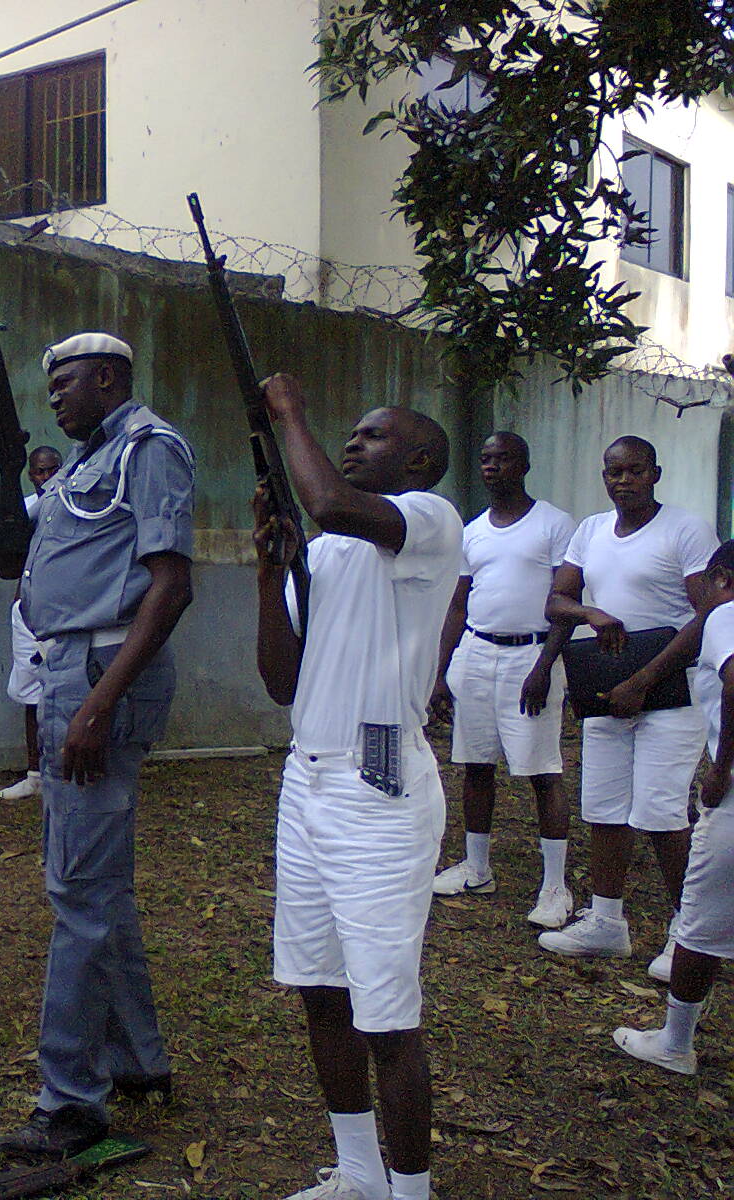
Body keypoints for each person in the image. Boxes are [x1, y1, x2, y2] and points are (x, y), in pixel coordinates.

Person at [253, 376, 459, 1200]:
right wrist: (273, 572)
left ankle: (412, 1193)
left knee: (387, 1015)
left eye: (375, 436)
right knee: (319, 990)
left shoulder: (431, 522)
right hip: (307, 779)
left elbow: (332, 503)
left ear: (418, 459)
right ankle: (360, 1173)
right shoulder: (332, 546)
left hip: (379, 788)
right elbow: (278, 681)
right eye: (351, 430)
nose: (353, 440)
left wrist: (289, 413)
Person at [0, 333, 195, 1160]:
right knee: (93, 881)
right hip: (71, 666)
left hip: (102, 669)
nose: (56, 400)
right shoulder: (85, 460)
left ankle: (71, 1101)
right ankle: (138, 1059)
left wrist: (97, 705)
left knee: (77, 888)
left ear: (109, 377)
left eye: (67, 384)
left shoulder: (149, 450)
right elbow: (16, 554)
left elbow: (171, 584)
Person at [538, 437, 718, 981]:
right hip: (606, 686)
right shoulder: (590, 530)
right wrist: (591, 611)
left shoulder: (685, 530)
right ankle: (607, 922)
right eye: (613, 472)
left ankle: (690, 934)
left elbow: (707, 612)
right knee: (604, 807)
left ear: (654, 474)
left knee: (662, 814)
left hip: (668, 689)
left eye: (634, 471)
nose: (622, 481)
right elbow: (555, 602)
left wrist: (645, 678)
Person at [429, 432, 577, 927]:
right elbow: (457, 602)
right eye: (485, 459)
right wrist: (442, 670)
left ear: (525, 464)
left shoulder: (554, 524)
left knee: (541, 771)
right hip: (476, 651)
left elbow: (564, 604)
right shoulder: (473, 532)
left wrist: (544, 668)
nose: (492, 467)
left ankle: (555, 886)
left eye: (504, 458)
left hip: (530, 655)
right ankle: (476, 867)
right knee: (475, 763)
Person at [614, 539, 734, 1075]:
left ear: (721, 578)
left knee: (698, 924)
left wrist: (720, 770)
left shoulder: (726, 613)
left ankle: (675, 1042)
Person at [0, 445, 64, 802]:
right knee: (29, 694)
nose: (45, 477)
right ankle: (35, 774)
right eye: (39, 471)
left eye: (52, 470)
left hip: (62, 614)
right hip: (26, 613)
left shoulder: (72, 507)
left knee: (68, 692)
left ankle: (65, 772)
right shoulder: (25, 510)